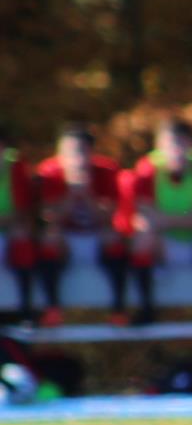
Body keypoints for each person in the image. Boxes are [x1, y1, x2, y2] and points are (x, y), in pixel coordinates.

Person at [120, 119, 192, 302]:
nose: (175, 150)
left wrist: (166, 219)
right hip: (163, 243)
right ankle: (146, 306)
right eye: (170, 144)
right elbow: (145, 215)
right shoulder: (148, 168)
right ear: (159, 146)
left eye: (181, 143)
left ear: (191, 145)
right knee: (143, 232)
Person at [30, 125, 126, 327]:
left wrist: (88, 193)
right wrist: (71, 193)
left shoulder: (106, 171)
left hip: (96, 234)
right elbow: (50, 217)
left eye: (80, 151)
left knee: (114, 237)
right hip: (66, 237)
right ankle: (52, 308)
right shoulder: (50, 172)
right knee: (50, 237)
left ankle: (119, 309)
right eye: (68, 152)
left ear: (90, 152)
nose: (74, 158)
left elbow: (108, 216)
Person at [2, 131, 39, 323]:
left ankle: (26, 308)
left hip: (11, 227)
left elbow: (23, 211)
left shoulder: (14, 166)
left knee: (22, 239)